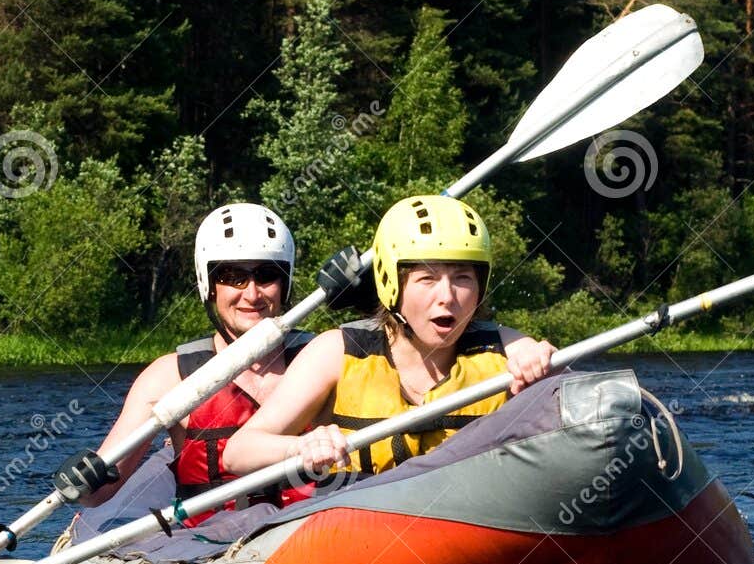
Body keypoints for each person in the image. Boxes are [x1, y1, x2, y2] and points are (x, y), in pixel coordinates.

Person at [222, 195, 556, 482]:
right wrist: (301, 446)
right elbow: (238, 453)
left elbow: (568, 399)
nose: (448, 296)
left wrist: (542, 365)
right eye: (427, 278)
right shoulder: (336, 352)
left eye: (463, 278)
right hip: (360, 534)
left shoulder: (505, 350)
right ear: (391, 283)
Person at [52, 203, 313, 525]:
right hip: (208, 547)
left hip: (309, 536)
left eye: (266, 275)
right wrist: (81, 482)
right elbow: (104, 489)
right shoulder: (168, 377)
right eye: (233, 277)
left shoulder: (322, 358)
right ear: (209, 284)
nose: (252, 293)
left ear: (284, 282)